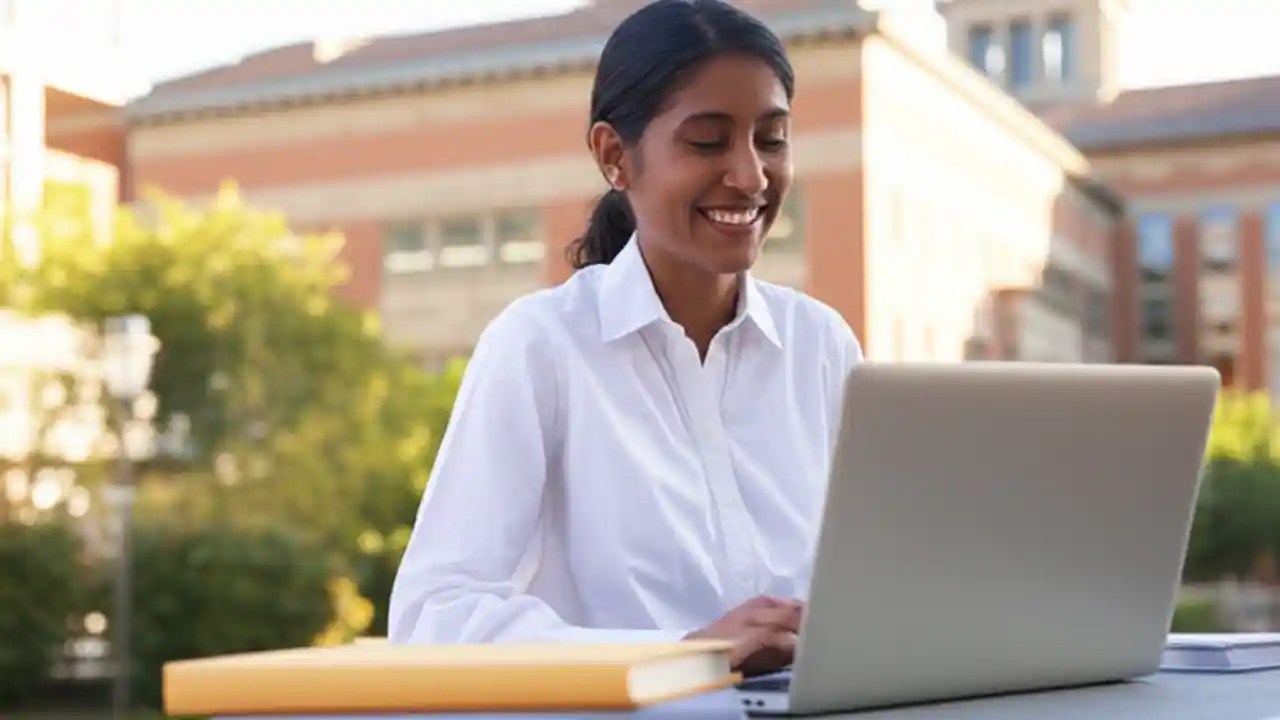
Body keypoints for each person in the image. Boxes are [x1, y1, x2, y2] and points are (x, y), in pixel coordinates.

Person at [388, 0, 863, 676]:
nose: (752, 175)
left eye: (772, 138)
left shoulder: (822, 346)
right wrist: (684, 655)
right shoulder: (540, 347)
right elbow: (433, 616)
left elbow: (882, 582)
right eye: (708, 141)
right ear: (616, 156)